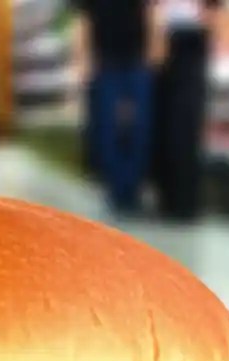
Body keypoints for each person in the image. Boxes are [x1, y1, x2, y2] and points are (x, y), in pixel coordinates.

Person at [72, 0, 165, 215]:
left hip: (137, 61)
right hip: (104, 62)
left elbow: (151, 11)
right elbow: (82, 20)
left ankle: (131, 189)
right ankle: (117, 189)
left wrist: (156, 46)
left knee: (140, 127)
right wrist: (82, 59)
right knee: (107, 128)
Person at [153, 0, 222, 222]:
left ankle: (185, 204)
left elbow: (215, 13)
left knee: (186, 126)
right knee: (164, 126)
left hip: (192, 44)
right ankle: (167, 200)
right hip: (164, 46)